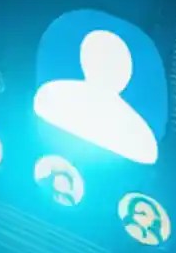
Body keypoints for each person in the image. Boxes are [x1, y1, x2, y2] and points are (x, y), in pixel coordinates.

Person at [34, 30, 159, 165]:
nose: (106, 68)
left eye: (113, 63)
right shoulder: (54, 95)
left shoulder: (137, 132)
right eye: (101, 59)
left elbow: (148, 153)